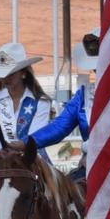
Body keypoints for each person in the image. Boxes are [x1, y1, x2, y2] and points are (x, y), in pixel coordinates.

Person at [13, 31, 100, 180]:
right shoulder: (84, 96)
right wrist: (25, 143)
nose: (96, 70)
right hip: (91, 166)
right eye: (95, 68)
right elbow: (59, 127)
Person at [0, 42, 52, 169]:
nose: (6, 78)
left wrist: (17, 150)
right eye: (3, 74)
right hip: (0, 162)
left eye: (11, 73)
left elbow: (34, 137)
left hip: (28, 162)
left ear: (23, 73)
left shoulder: (40, 102)